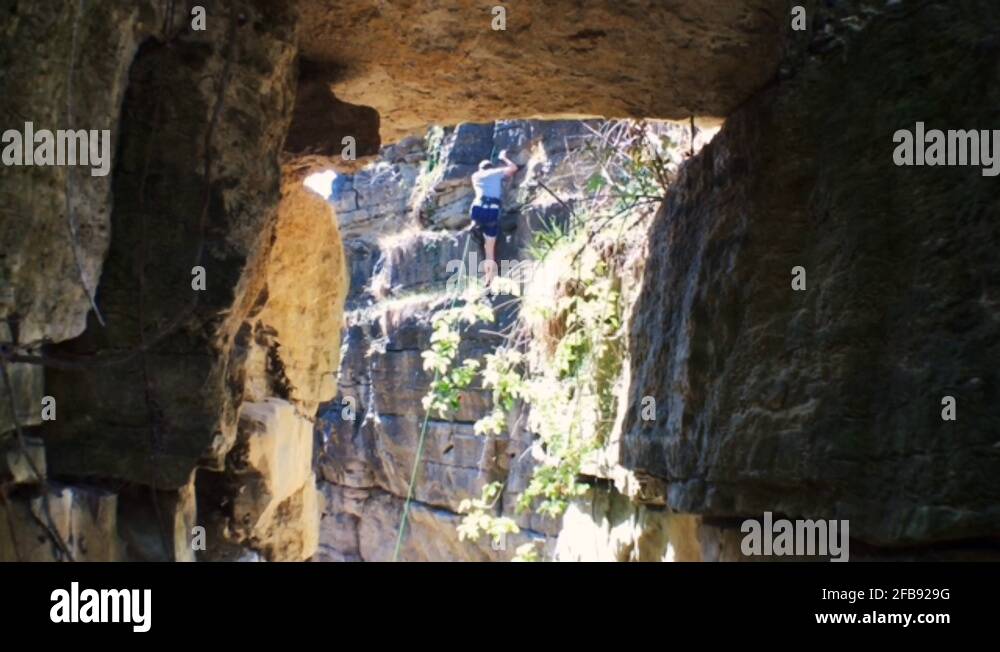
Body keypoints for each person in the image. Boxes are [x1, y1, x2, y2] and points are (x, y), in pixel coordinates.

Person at [469, 149, 518, 287]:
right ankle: (489, 279)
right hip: (492, 211)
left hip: (477, 211)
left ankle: (487, 277)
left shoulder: (475, 176)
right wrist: (504, 158)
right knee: (490, 248)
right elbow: (513, 168)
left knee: (482, 244)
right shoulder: (496, 173)